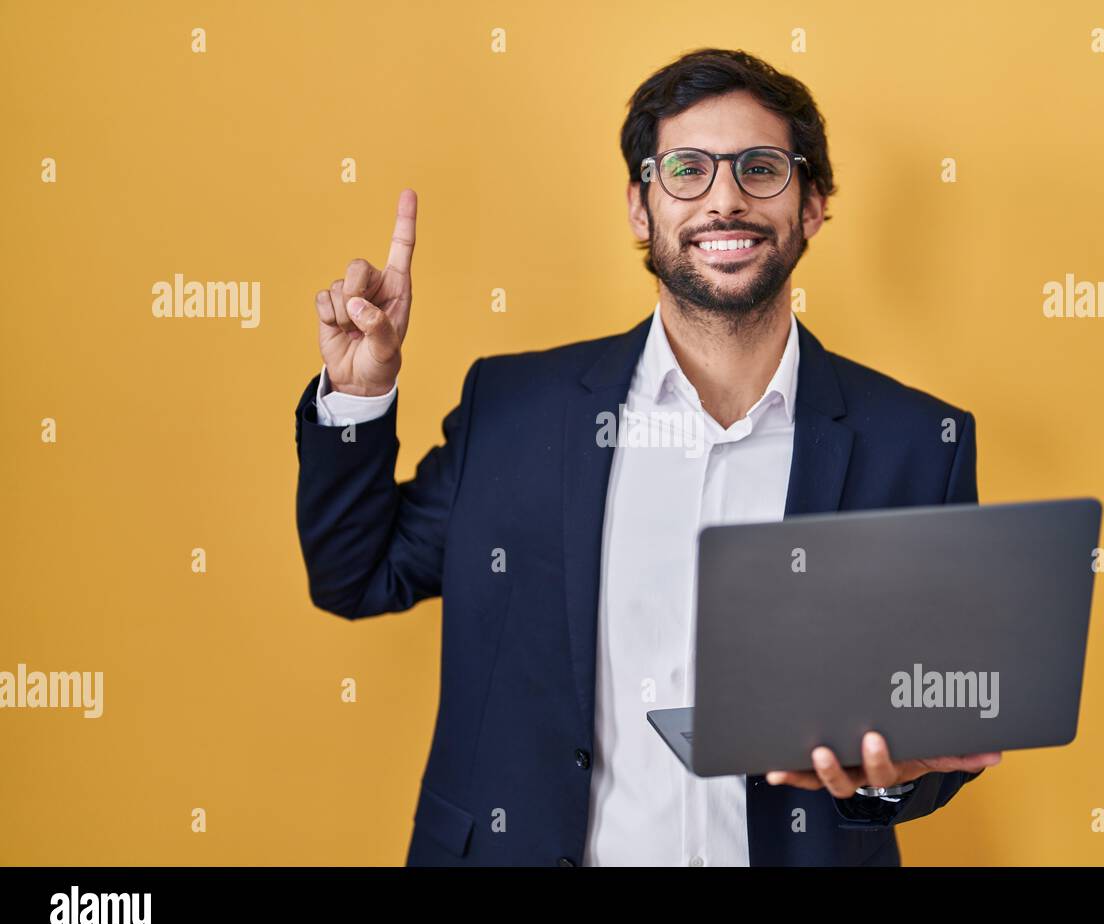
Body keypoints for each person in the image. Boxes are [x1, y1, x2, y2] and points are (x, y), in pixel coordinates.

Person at [295, 47, 1000, 867]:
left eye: (762, 169)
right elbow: (355, 575)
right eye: (688, 170)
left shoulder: (918, 444)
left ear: (812, 207)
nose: (725, 199)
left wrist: (890, 782)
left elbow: (930, 728)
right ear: (641, 207)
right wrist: (357, 398)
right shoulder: (517, 412)